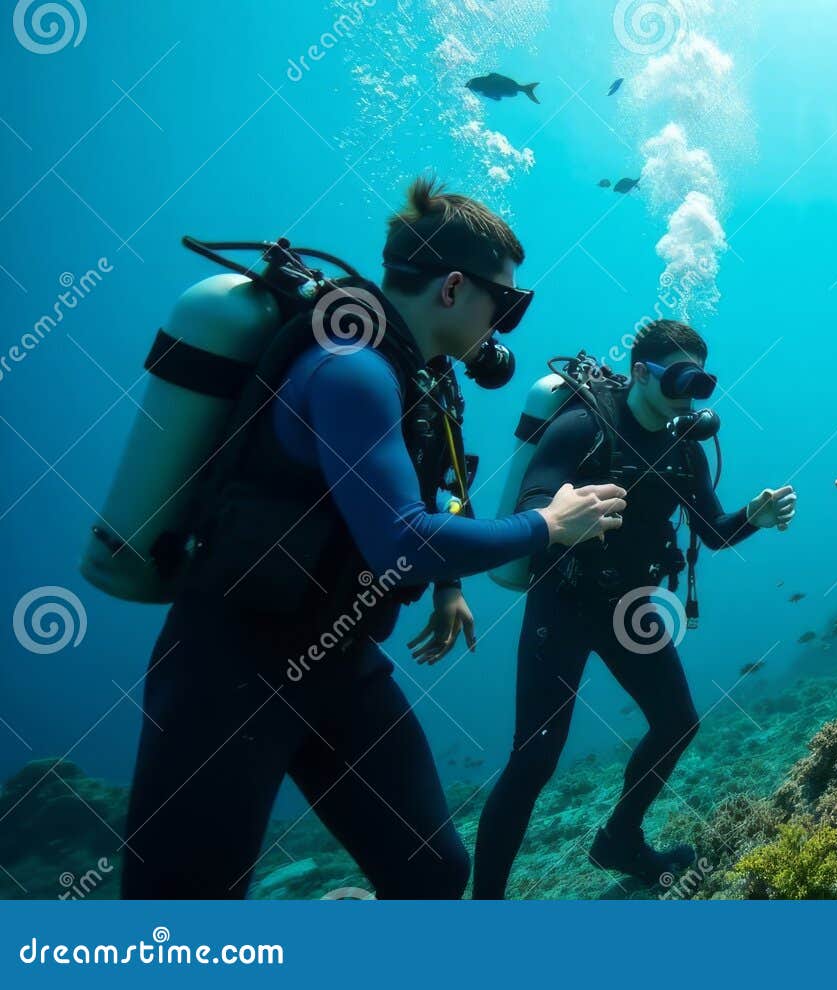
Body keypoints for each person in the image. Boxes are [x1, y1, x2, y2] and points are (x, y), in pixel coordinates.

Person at [120, 178, 626, 899]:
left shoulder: (426, 382)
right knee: (182, 908)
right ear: (453, 287)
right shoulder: (352, 371)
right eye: (505, 304)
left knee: (432, 869)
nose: (503, 327)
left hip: (339, 661)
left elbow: (430, 490)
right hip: (231, 668)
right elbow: (402, 541)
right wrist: (546, 524)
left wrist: (449, 587)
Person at [472, 320, 797, 897]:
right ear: (640, 372)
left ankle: (620, 839)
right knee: (535, 761)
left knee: (677, 723)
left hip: (630, 606)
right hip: (565, 600)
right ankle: (485, 908)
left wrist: (756, 515)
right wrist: (564, 514)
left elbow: (714, 533)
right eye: (678, 377)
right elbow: (531, 502)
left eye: (699, 380)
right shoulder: (582, 427)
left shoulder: (685, 450)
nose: (689, 392)